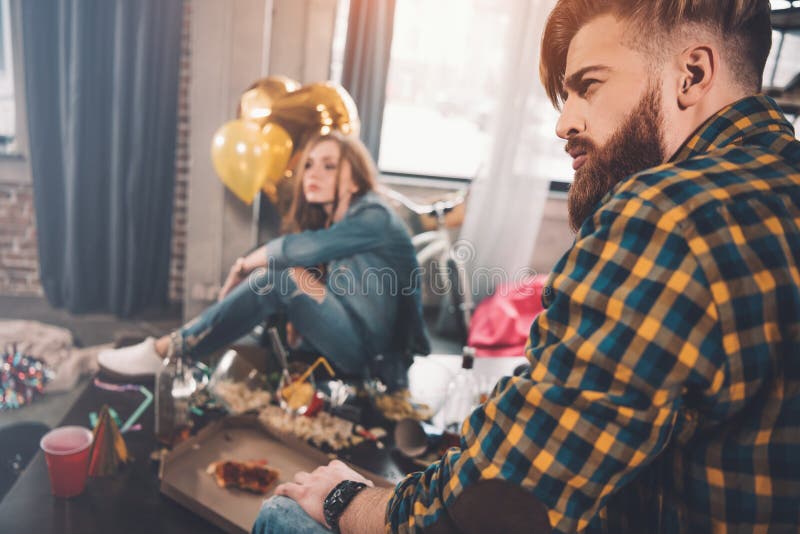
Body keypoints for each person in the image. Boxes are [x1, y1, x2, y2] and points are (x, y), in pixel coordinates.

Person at [252, 0, 800, 532]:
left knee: (286, 512)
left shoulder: (665, 214)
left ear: (693, 73)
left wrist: (347, 498)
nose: (563, 124)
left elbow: (487, 510)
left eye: (589, 85)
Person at [98, 131, 430, 390]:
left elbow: (295, 250)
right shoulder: (342, 222)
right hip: (356, 340)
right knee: (274, 294)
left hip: (376, 360)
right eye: (310, 164)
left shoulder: (374, 216)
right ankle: (184, 360)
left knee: (281, 277)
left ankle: (167, 352)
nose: (313, 173)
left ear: (355, 179)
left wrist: (244, 265)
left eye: (329, 165)